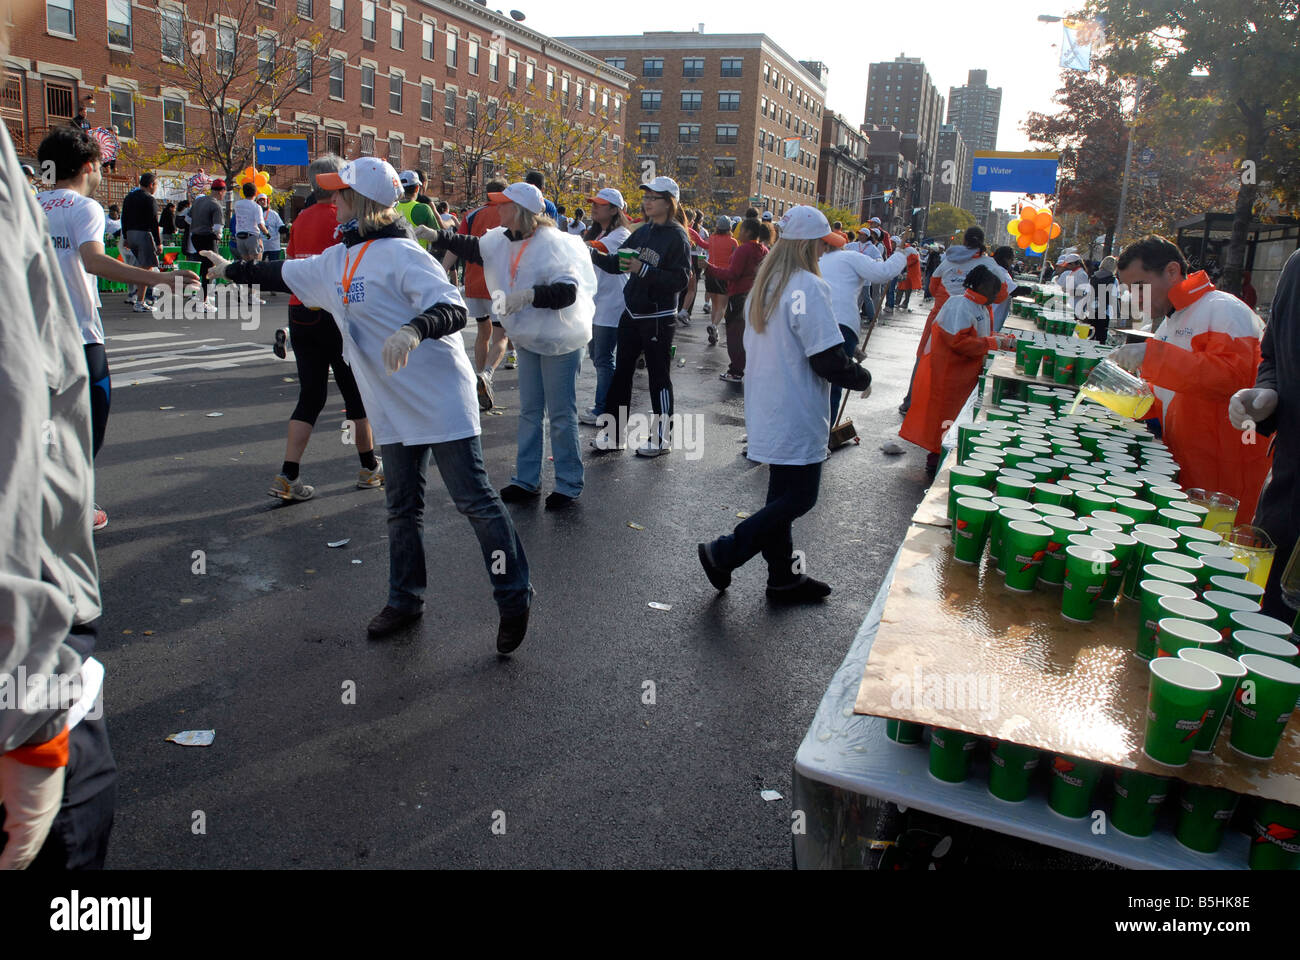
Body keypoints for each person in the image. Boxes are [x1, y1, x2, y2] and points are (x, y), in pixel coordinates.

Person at [200, 156, 533, 650]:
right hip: (391, 405)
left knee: (474, 501)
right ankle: (405, 599)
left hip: (438, 398)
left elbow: (453, 307)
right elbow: (285, 271)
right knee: (401, 507)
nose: (332, 201)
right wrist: (235, 270)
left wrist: (412, 330)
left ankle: (513, 595)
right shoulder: (338, 258)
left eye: (340, 194)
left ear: (363, 203)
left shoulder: (404, 254)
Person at [1, 104, 117, 872]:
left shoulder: (33, 196)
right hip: (30, 673)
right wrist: (31, 711)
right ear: (90, 166)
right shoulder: (81, 207)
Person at [697, 207, 873, 604]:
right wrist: (859, 375)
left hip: (770, 400)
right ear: (810, 246)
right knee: (800, 497)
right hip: (795, 404)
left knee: (781, 498)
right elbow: (825, 358)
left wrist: (843, 357)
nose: (825, 253)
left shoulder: (770, 279)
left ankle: (783, 577)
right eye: (822, 246)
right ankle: (725, 551)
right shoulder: (807, 286)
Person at [35, 127, 200, 533]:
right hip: (78, 336)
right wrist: (161, 279)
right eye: (102, 168)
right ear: (90, 166)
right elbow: (92, 261)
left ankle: (37, 501)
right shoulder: (83, 207)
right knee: (89, 426)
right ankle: (72, 506)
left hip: (31, 335)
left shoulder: (27, 205)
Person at [422, 181, 596, 508]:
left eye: (503, 204)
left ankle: (569, 484)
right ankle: (527, 480)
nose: (497, 209)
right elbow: (475, 248)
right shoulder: (503, 239)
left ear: (518, 210)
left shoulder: (554, 243)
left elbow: (568, 291)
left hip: (560, 340)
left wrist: (531, 296)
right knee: (530, 411)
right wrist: (438, 236)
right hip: (528, 337)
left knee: (560, 413)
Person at [1112, 234, 1271, 516]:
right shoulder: (1172, 320)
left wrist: (1152, 357)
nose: (1135, 297)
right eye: (1129, 289)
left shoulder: (1224, 309)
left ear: (1172, 271)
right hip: (1186, 469)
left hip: (1225, 476)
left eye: (1140, 286)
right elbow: (1171, 393)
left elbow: (1232, 378)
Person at [261, 154, 384, 501]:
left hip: (301, 312)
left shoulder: (299, 219)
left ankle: (288, 473)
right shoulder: (344, 218)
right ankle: (368, 468)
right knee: (354, 393)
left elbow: (291, 262)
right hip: (336, 313)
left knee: (310, 396)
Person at [589, 176, 692, 456]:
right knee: (621, 374)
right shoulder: (642, 231)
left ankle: (662, 438)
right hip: (632, 313)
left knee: (658, 377)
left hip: (658, 316)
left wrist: (643, 269)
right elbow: (617, 263)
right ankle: (613, 435)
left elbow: (681, 280)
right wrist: (589, 254)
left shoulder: (677, 236)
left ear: (669, 202)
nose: (646, 202)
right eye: (645, 197)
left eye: (653, 198)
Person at [1229, 247, 1298, 622]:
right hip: (1287, 501)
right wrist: (1266, 397)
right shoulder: (1298, 267)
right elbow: (1271, 356)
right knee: (1265, 625)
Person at [900, 264, 1017, 475]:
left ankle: (942, 456)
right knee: (945, 418)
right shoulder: (959, 305)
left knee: (955, 417)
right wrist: (993, 343)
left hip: (964, 375)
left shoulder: (980, 306)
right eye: (993, 290)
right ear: (981, 286)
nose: (995, 295)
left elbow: (977, 337)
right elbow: (958, 342)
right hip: (949, 375)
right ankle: (936, 459)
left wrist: (998, 340)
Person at [900, 228, 1009, 415]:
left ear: (964, 241)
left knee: (925, 357)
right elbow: (1001, 295)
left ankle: (911, 401)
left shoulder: (948, 260)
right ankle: (959, 407)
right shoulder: (990, 264)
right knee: (968, 362)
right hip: (975, 319)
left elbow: (933, 288)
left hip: (941, 317)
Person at [820, 238, 907, 434]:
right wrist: (901, 256)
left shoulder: (817, 261)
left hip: (820, 322)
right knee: (835, 384)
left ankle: (816, 434)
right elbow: (883, 273)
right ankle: (824, 437)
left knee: (818, 382)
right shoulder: (851, 257)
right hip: (842, 325)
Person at [446, 179, 508, 409]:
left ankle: (479, 377)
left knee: (483, 331)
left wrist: (441, 270)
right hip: (499, 285)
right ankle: (487, 375)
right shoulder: (509, 213)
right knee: (501, 335)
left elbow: (456, 245)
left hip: (474, 282)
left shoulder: (472, 215)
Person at [579, 187, 632, 426]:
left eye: (600, 204)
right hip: (597, 304)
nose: (594, 207)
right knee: (599, 357)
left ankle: (604, 410)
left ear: (614, 210)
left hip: (612, 306)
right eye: (593, 203)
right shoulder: (599, 233)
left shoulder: (620, 235)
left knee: (603, 359)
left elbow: (593, 250)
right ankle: (604, 407)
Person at [705, 217, 770, 383]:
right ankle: (748, 368)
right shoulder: (764, 250)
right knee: (750, 335)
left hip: (739, 296)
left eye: (741, 229)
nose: (738, 232)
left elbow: (732, 274)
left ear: (748, 232)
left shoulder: (743, 250)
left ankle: (736, 371)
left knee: (735, 335)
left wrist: (709, 269)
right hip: (755, 296)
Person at [120, 171, 161, 310]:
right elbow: (154, 222)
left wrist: (125, 236)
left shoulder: (129, 197)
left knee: (139, 267)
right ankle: (140, 301)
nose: (156, 188)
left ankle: (135, 295)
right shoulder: (149, 199)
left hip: (130, 234)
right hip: (144, 234)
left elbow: (124, 217)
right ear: (151, 185)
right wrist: (159, 242)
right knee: (146, 269)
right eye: (156, 185)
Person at [189, 178, 225, 301]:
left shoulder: (198, 201)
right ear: (221, 191)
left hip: (195, 237)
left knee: (201, 266)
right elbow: (217, 228)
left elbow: (187, 220)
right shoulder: (216, 205)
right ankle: (204, 299)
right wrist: (218, 237)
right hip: (208, 238)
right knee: (210, 268)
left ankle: (197, 294)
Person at [704, 214, 737, 346]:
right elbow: (736, 258)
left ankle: (714, 332)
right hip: (724, 274)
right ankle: (713, 325)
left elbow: (705, 245)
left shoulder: (712, 238)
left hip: (710, 273)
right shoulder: (733, 241)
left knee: (715, 305)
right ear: (729, 227)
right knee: (722, 306)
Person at [395, 170, 438, 249]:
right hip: (419, 256)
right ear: (417, 188)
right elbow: (437, 235)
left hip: (397, 256)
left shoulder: (391, 208)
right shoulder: (423, 209)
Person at [232, 181, 269, 263]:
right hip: (252, 236)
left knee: (245, 263)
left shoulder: (237, 204)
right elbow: (260, 224)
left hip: (240, 236)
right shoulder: (257, 206)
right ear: (255, 193)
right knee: (255, 263)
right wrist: (267, 233)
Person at [1086, 254, 1120, 342]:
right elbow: (1114, 297)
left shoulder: (1093, 277)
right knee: (1101, 338)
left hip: (1091, 309)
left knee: (1089, 336)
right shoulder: (1113, 280)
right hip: (1105, 311)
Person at [896, 240, 924, 313]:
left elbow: (909, 261)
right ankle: (900, 302)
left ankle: (901, 303)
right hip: (908, 273)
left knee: (904, 289)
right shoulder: (909, 251)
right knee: (903, 288)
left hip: (909, 274)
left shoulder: (908, 251)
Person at [258, 193, 285, 265]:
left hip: (273, 245)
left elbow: (280, 225)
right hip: (261, 245)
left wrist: (283, 229)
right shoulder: (256, 213)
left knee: (274, 265)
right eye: (260, 200)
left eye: (264, 200)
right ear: (257, 202)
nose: (263, 202)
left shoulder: (274, 214)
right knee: (259, 266)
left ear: (268, 201)